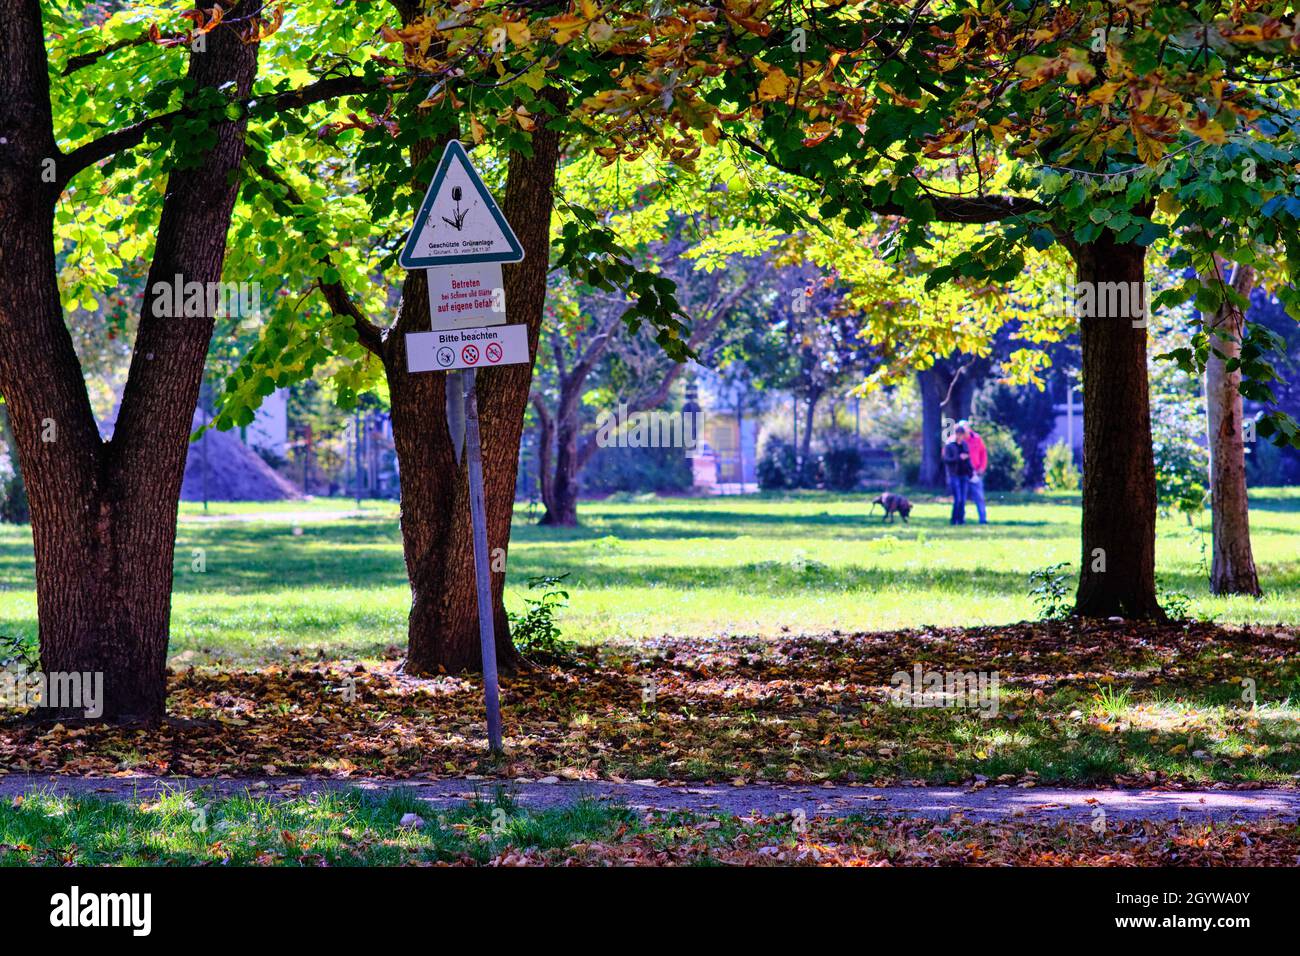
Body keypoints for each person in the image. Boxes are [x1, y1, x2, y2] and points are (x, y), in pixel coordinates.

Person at [959, 420, 989, 524]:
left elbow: (983, 454)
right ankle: (961, 519)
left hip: (975, 472)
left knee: (979, 496)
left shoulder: (977, 439)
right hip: (962, 473)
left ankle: (983, 519)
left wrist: (982, 467)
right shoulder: (956, 439)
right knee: (961, 498)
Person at [942, 425, 973, 525]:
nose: (960, 437)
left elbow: (968, 459)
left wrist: (971, 472)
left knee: (963, 499)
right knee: (958, 499)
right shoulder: (950, 445)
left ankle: (961, 520)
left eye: (962, 435)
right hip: (954, 475)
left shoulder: (964, 445)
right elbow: (946, 460)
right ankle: (954, 519)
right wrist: (959, 458)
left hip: (964, 475)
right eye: (959, 434)